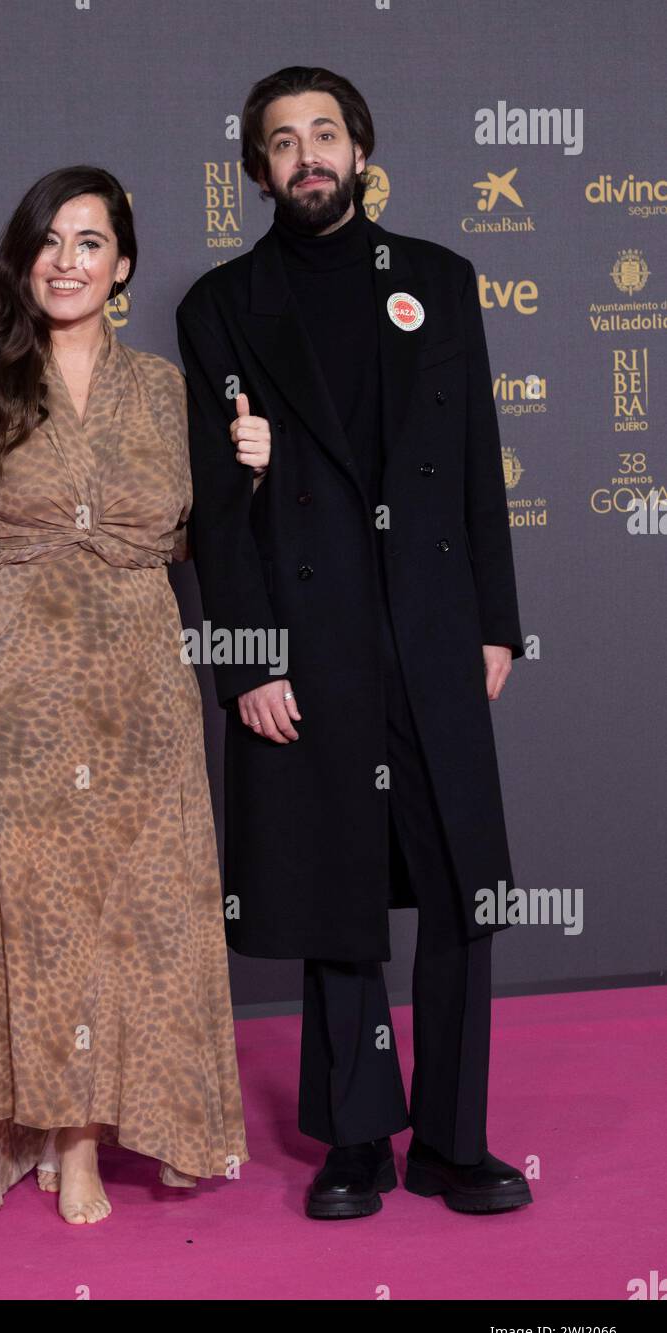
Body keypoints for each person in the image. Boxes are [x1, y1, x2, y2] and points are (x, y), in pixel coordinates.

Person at [176, 67, 533, 1219]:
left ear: (361, 149)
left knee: (460, 891)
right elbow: (219, 512)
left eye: (323, 133)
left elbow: (476, 461)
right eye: (280, 142)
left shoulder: (439, 280)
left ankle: (452, 1139)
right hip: (306, 638)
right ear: (257, 169)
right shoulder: (220, 305)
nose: (305, 155)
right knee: (333, 888)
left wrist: (493, 620)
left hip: (431, 632)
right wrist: (248, 657)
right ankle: (355, 1139)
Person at [0, 166, 269, 1224]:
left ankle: (133, 1124)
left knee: (140, 909)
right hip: (12, 682)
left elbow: (191, 534)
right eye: (49, 240)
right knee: (43, 914)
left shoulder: (163, 387)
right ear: (24, 260)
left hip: (140, 683)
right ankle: (69, 1145)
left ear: (124, 265)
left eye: (90, 241)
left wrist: (247, 469)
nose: (67, 260)